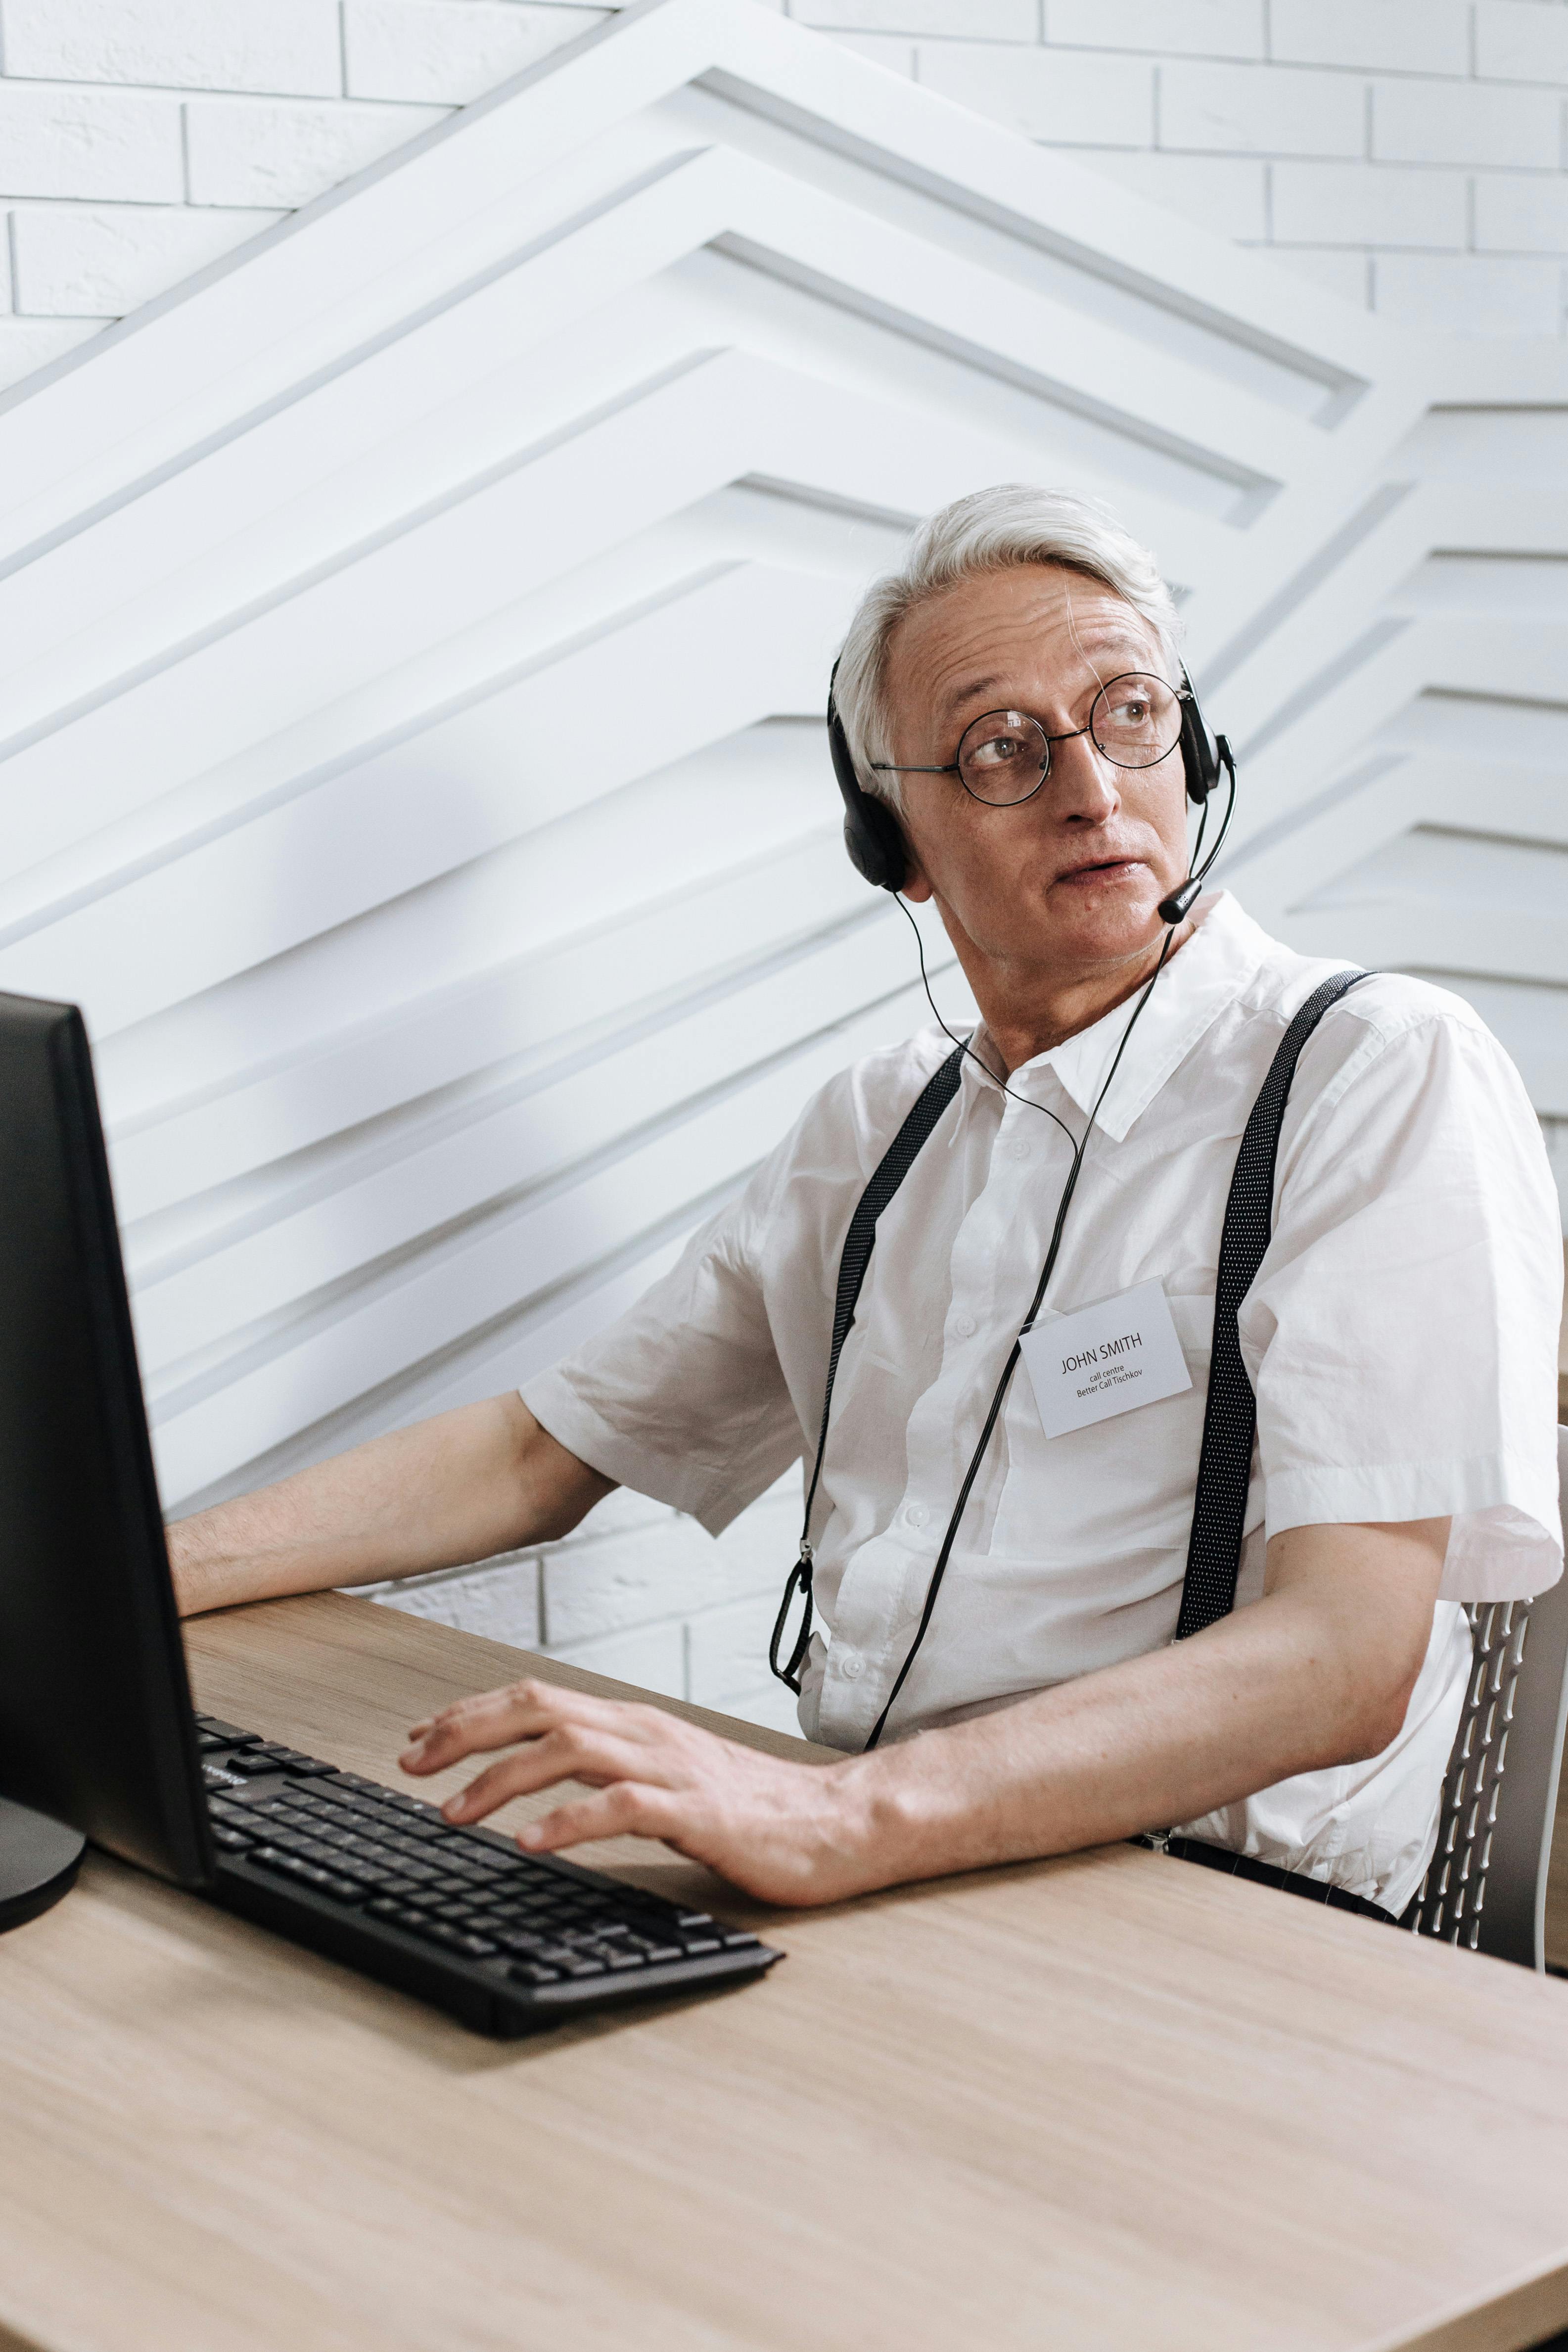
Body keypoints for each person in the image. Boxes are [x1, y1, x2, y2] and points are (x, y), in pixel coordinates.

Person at [170, 486, 1564, 1921]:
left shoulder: (1369, 1068)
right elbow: (541, 1453)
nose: (1091, 788)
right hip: (897, 1872)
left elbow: (1343, 1655)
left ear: (1194, 749)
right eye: (1001, 749)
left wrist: (839, 1808)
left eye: (1131, 712)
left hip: (1215, 1915)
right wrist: (128, 1581)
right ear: (885, 837)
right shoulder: (877, 1125)